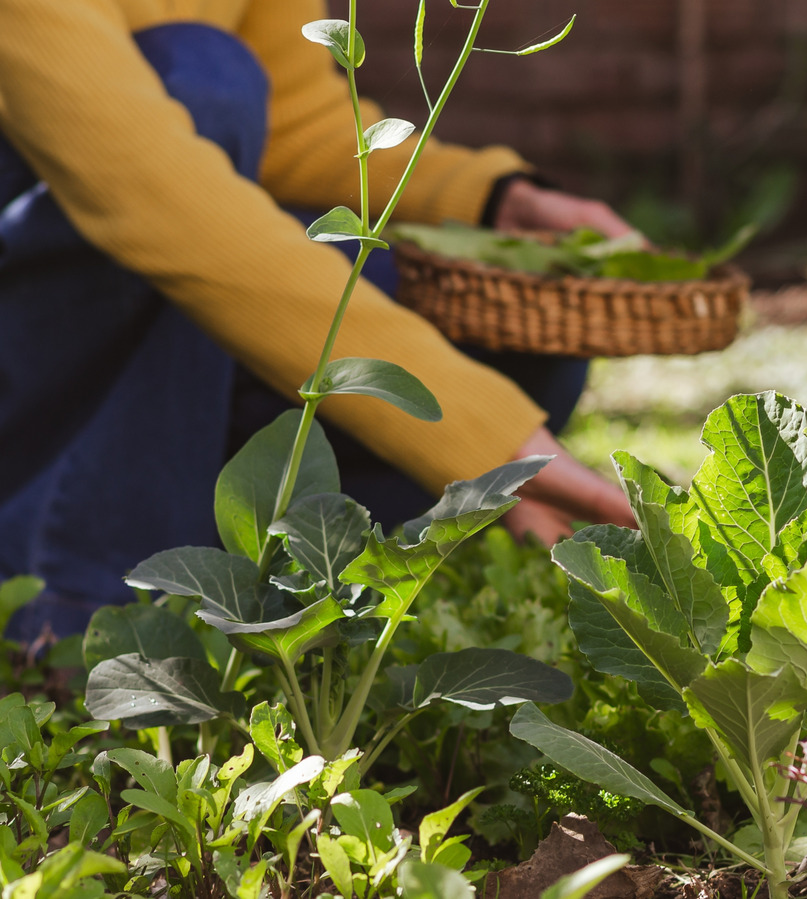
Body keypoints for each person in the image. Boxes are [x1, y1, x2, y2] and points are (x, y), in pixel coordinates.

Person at [0, 0, 637, 642]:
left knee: (512, 350)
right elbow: (161, 200)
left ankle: (248, 565)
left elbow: (290, 123)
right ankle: (78, 608)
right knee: (202, 79)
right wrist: (484, 435)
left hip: (157, 234)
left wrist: (491, 199)